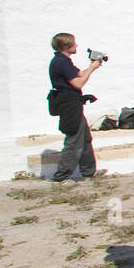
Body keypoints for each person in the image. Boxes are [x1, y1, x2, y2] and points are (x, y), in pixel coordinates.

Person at [47, 33, 102, 182]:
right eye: (74, 43)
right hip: (69, 106)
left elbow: (78, 74)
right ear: (66, 46)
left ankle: (88, 172)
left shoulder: (63, 61)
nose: (76, 45)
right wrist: (91, 67)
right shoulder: (61, 62)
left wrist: (94, 66)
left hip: (73, 104)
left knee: (84, 138)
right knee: (74, 141)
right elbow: (78, 83)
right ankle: (61, 176)